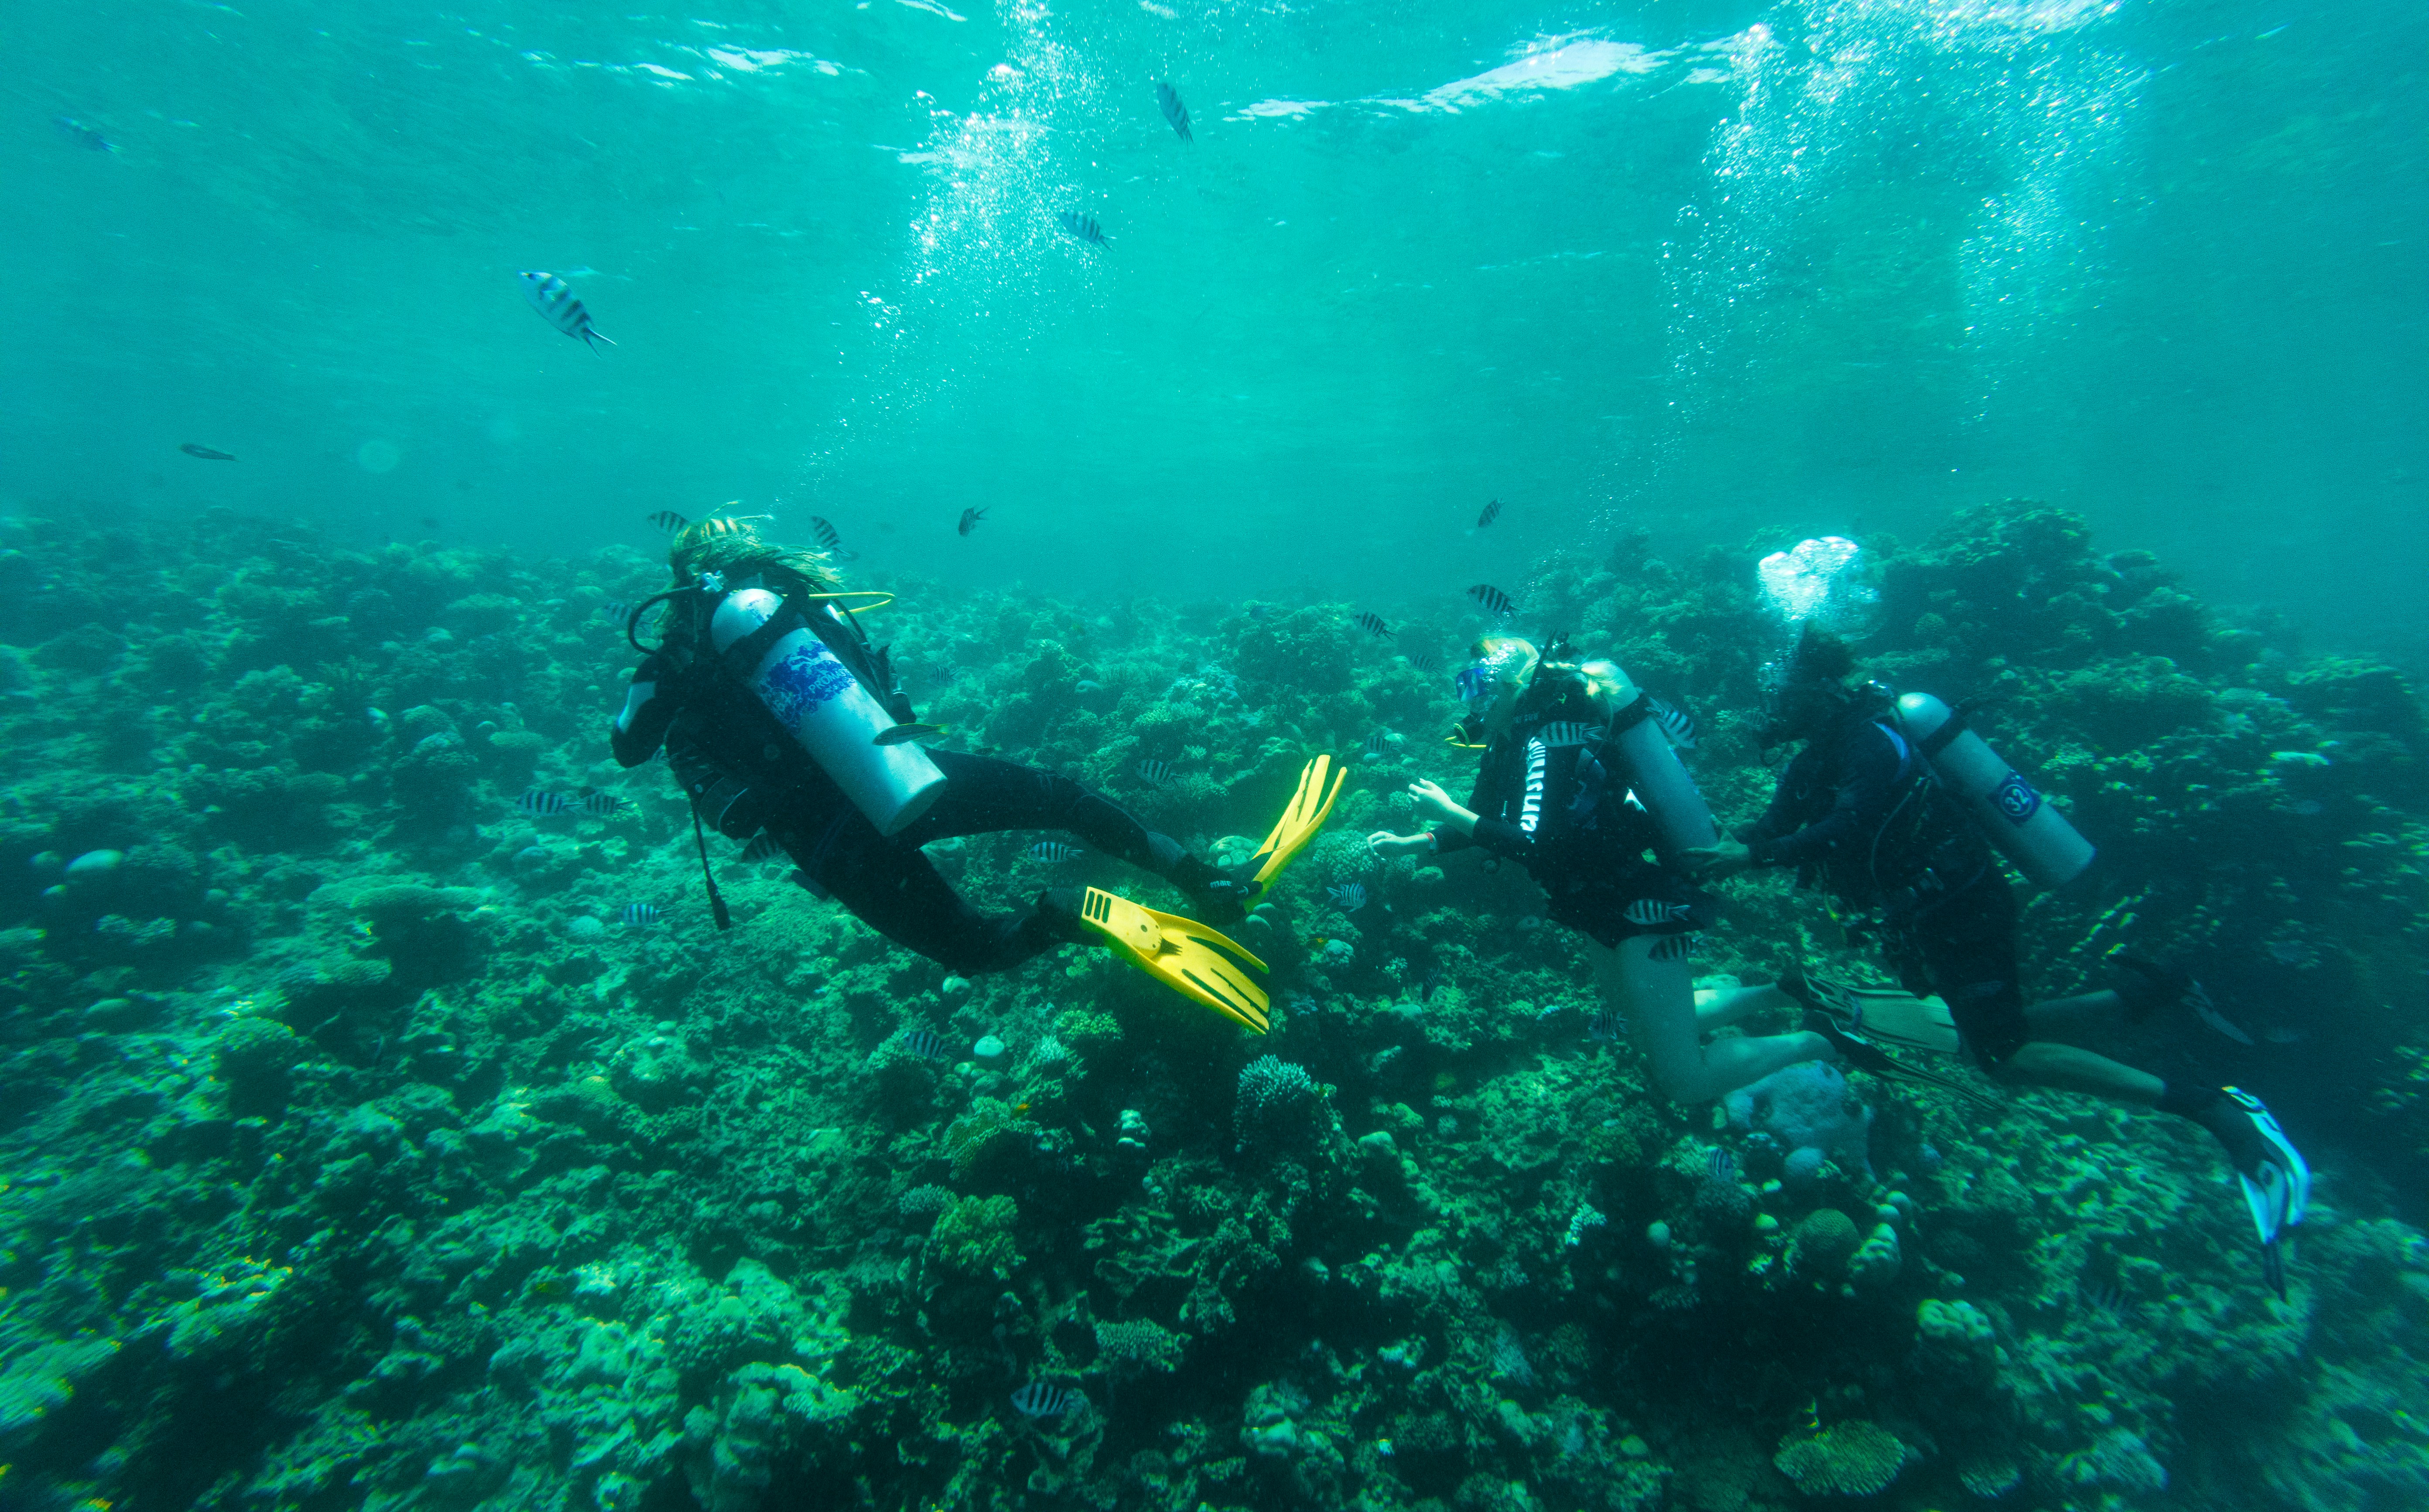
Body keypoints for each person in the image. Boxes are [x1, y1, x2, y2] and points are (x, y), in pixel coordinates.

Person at [1683, 623, 2311, 1290]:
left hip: (1960, 908)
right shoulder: (1815, 760)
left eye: (1782, 693)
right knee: (1984, 1025)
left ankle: (2209, 1106)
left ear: (1815, 688)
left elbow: (1850, 827)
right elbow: (1775, 829)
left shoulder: (1872, 740)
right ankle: (2138, 995)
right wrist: (1715, 854)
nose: (1772, 710)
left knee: (1999, 1055)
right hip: (1924, 919)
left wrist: (1755, 855)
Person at [607, 519, 1338, 1031]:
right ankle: (1205, 880)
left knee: (973, 948)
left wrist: (669, 668)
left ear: (681, 583)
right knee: (1061, 796)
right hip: (901, 774)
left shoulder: (676, 662)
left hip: (829, 838)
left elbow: (629, 746)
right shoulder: (794, 608)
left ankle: (1062, 914)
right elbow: (881, 699)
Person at [1366, 636, 1838, 1104]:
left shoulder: (1548, 741)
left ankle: (1819, 1041)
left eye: (1478, 687)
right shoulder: (1507, 745)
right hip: (1589, 905)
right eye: (1466, 688)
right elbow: (1483, 818)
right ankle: (1784, 992)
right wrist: (1418, 842)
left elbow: (1532, 843)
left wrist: (1446, 811)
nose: (1472, 702)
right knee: (1638, 1025)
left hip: (1635, 907)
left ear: (1511, 687)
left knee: (1685, 1082)